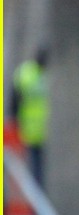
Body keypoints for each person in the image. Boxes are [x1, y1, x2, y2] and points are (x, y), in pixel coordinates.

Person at [10, 49, 49, 183]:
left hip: (38, 132)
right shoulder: (27, 74)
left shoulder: (41, 75)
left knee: (36, 168)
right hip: (24, 128)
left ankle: (35, 193)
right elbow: (14, 98)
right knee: (23, 165)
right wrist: (14, 121)